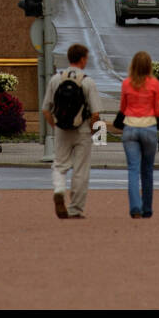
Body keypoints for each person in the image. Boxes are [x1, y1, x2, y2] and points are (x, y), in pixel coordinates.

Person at [41, 43, 100, 219]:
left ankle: (59, 190)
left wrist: (56, 125)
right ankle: (75, 209)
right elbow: (96, 113)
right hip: (82, 130)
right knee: (81, 170)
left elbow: (45, 109)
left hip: (61, 129)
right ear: (82, 59)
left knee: (59, 165)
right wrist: (93, 132)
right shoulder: (87, 81)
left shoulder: (56, 79)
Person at [119, 50, 159, 219]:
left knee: (133, 170)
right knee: (147, 170)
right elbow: (158, 110)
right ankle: (147, 208)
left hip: (130, 127)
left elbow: (122, 108)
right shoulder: (154, 84)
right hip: (149, 126)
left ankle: (135, 207)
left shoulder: (127, 83)